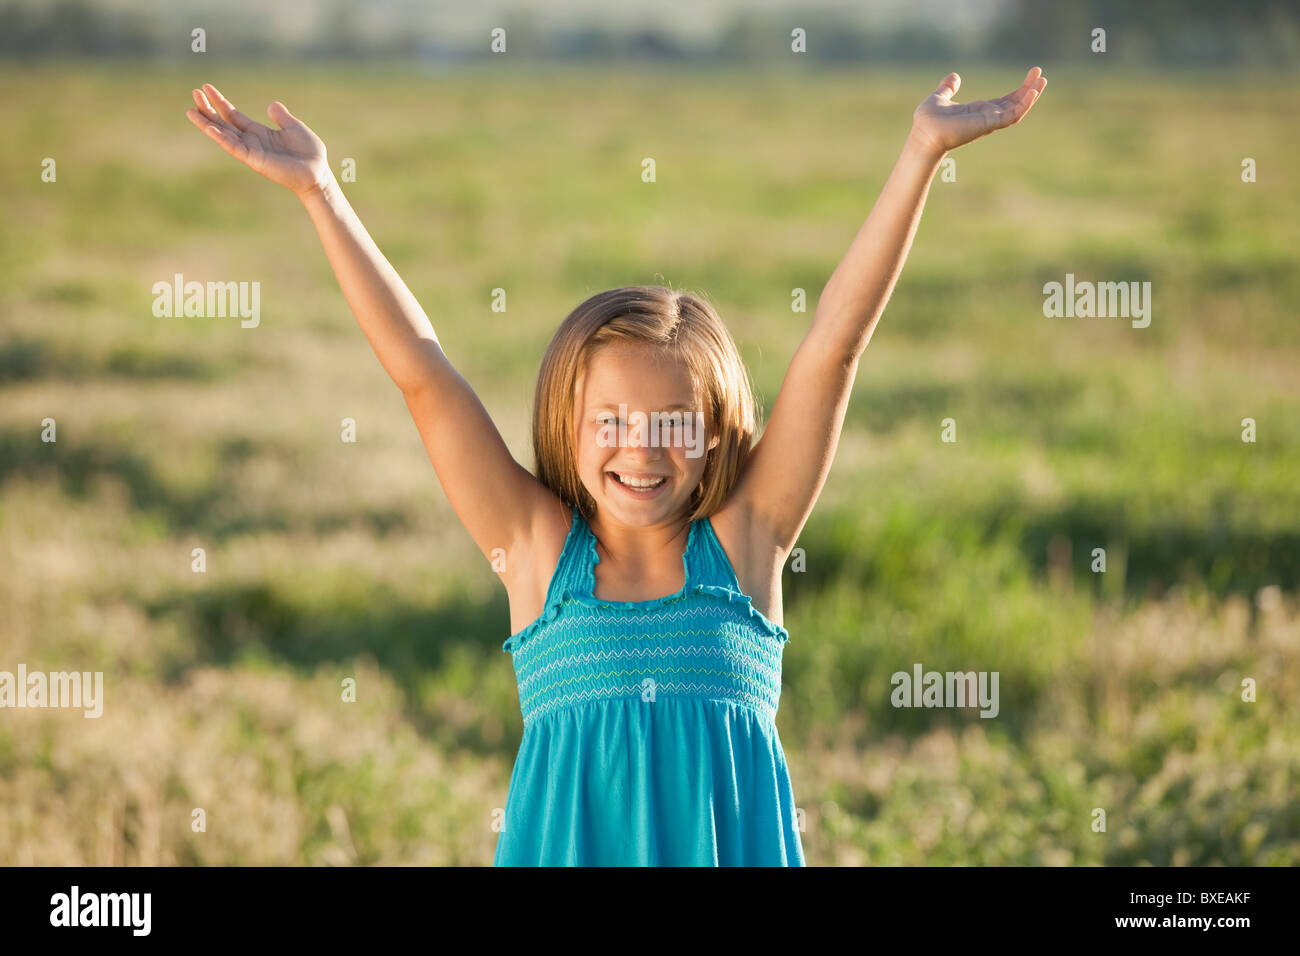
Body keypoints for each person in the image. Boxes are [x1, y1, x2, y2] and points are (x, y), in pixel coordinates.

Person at [184, 66, 1046, 865]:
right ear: (569, 422)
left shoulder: (748, 544)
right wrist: (322, 192)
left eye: (674, 421)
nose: (641, 447)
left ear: (715, 433)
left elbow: (834, 348)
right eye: (612, 421)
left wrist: (921, 155)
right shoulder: (532, 549)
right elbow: (423, 373)